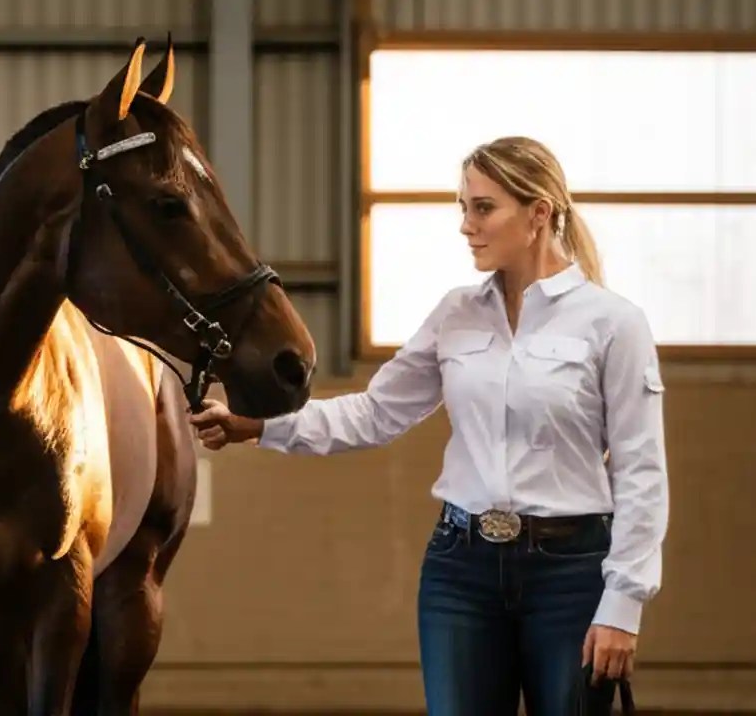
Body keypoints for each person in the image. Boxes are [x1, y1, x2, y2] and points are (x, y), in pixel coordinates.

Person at [189, 136, 669, 716]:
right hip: (460, 570)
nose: (466, 225)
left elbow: (642, 473)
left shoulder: (614, 323)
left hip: (571, 577)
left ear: (539, 213)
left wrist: (623, 602)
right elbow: (375, 412)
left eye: (483, 207)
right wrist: (257, 425)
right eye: (462, 207)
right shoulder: (455, 314)